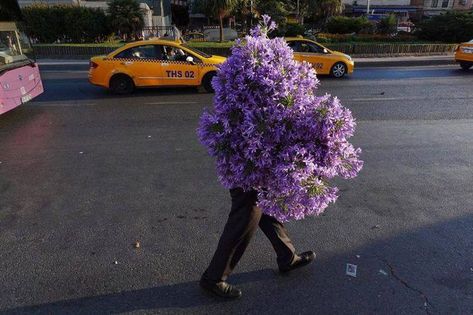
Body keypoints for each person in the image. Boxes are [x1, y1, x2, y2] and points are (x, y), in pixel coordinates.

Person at [200, 188, 316, 299]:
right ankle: (213, 277)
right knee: (246, 214)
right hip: (246, 171)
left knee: (265, 205)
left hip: (258, 171)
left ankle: (287, 256)